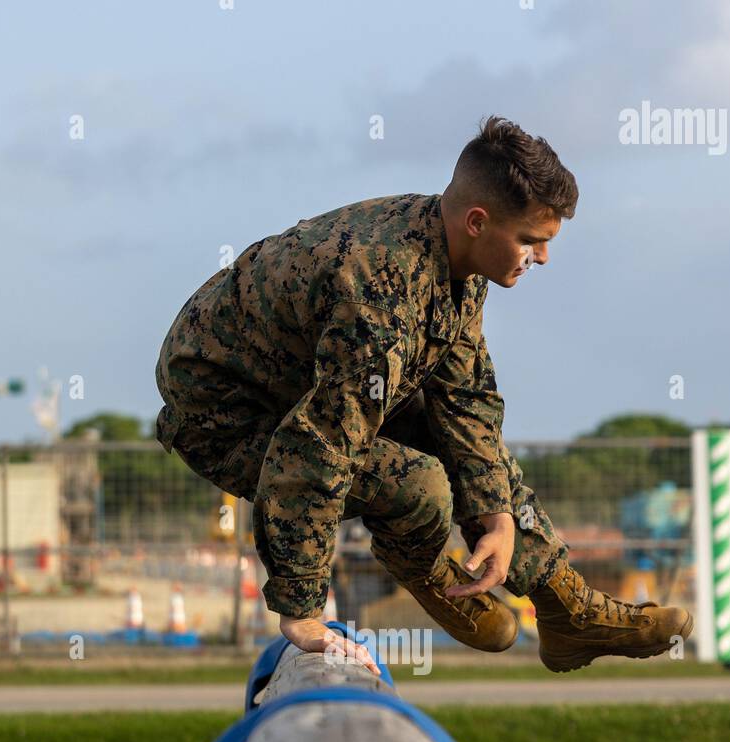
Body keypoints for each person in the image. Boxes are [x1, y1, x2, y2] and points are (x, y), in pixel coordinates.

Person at [155, 114, 691, 675]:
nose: (542, 259)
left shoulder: (458, 263)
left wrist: (497, 513)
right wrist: (301, 608)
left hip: (297, 382)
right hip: (222, 413)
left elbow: (465, 402)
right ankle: (433, 575)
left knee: (474, 455)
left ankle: (566, 613)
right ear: (479, 221)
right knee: (420, 484)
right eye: (531, 241)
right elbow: (320, 445)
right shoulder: (380, 293)